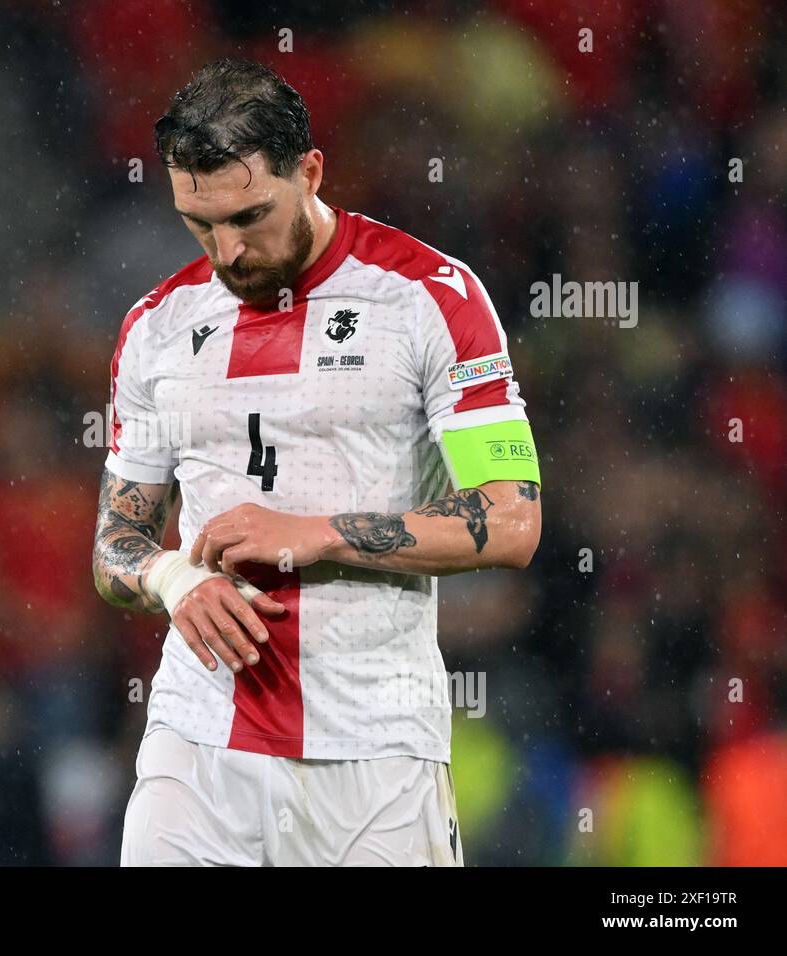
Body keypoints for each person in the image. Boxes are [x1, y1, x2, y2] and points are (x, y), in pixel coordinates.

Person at [91, 58, 542, 866]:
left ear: (311, 171)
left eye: (250, 215)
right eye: (199, 223)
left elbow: (510, 520)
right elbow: (114, 547)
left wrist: (310, 533)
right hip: (199, 747)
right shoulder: (156, 327)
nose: (228, 251)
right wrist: (173, 580)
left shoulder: (431, 298)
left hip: (375, 752)